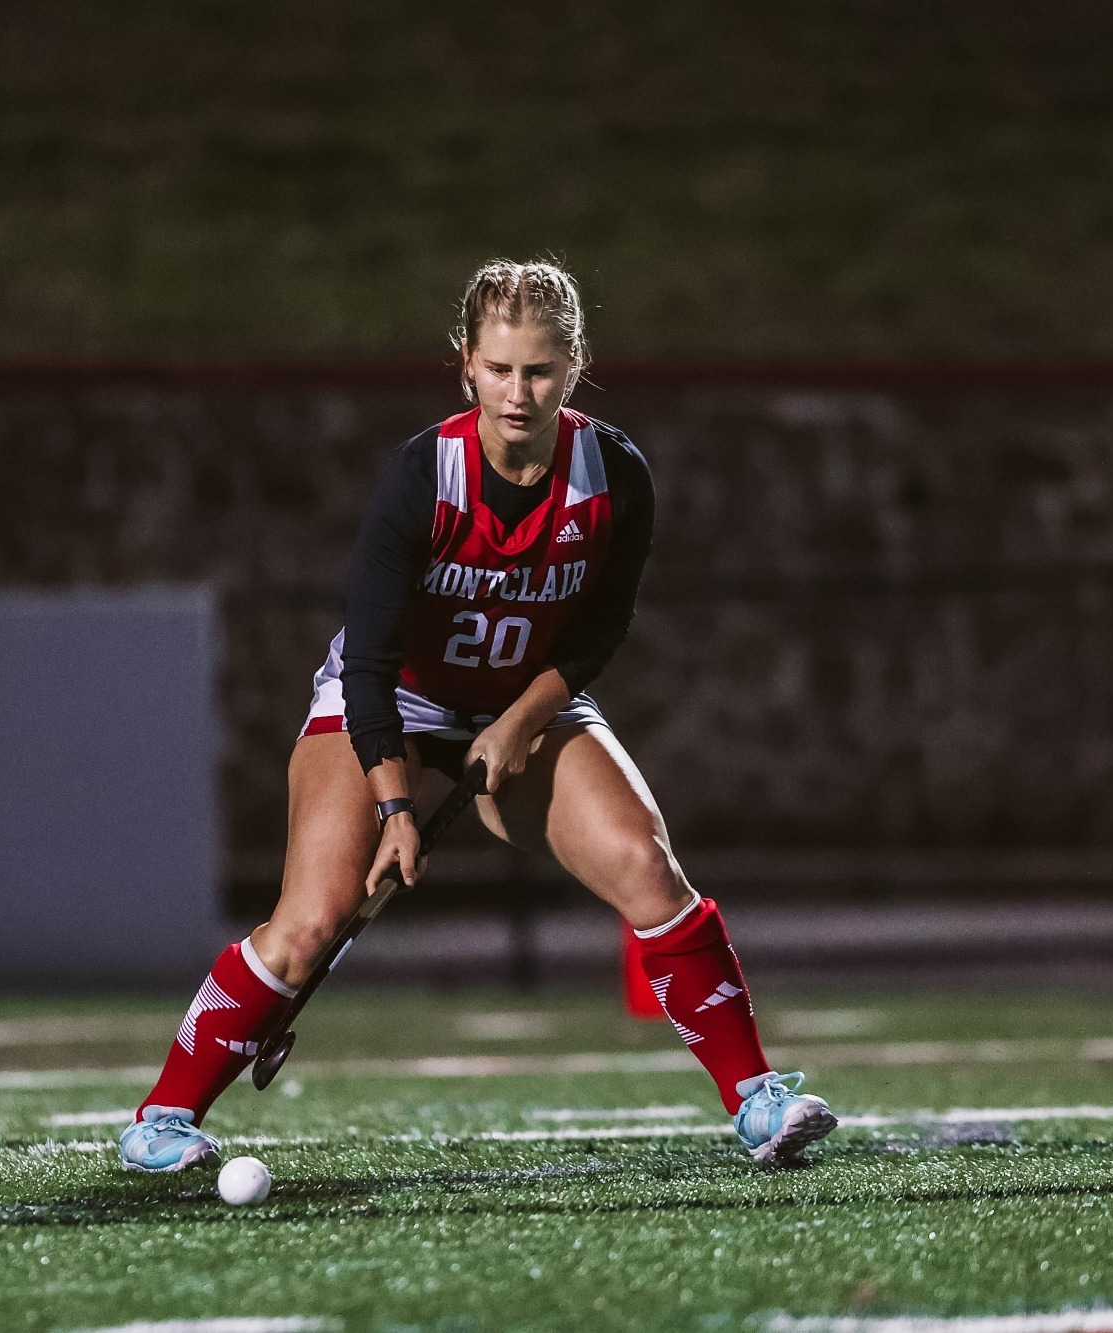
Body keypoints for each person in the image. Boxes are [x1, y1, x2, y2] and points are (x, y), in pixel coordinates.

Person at [120, 259, 837, 1173]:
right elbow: (373, 663)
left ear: (573, 367)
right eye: (499, 369)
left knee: (644, 865)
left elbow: (601, 627)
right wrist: (395, 805)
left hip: (527, 698)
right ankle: (161, 1117)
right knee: (308, 925)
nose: (518, 392)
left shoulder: (614, 476)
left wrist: (518, 721)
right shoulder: (424, 476)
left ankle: (755, 1101)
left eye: (538, 371)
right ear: (467, 365)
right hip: (391, 700)